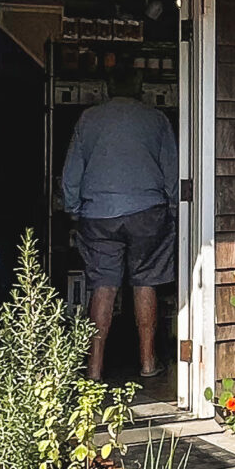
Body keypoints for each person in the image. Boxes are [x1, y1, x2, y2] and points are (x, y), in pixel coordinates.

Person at [59, 67, 179, 381]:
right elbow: (172, 172)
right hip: (147, 211)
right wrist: (174, 209)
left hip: (98, 213)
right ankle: (148, 363)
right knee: (145, 282)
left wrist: (73, 209)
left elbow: (72, 171)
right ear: (141, 87)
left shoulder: (88, 119)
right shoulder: (156, 119)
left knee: (104, 287)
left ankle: (94, 370)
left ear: (106, 87)